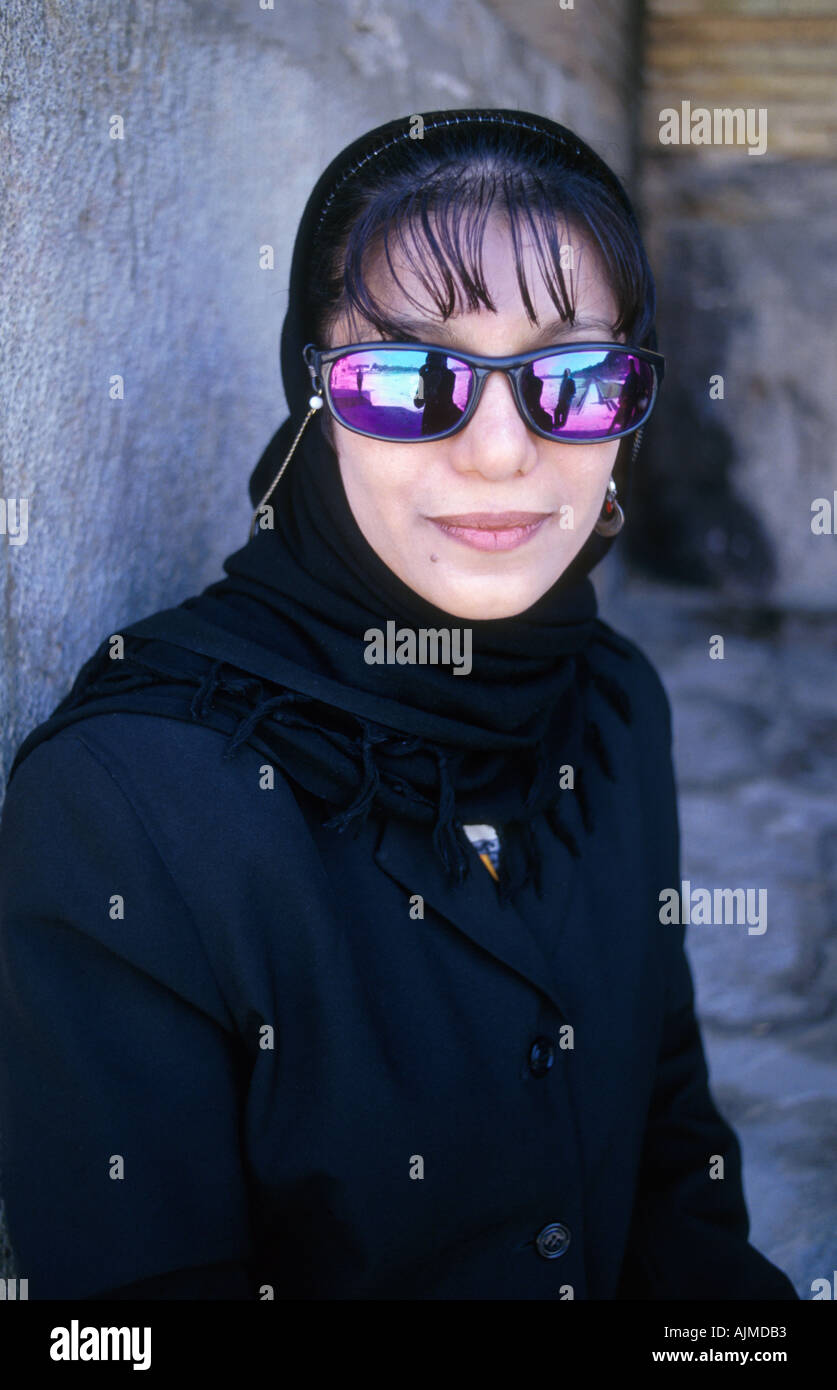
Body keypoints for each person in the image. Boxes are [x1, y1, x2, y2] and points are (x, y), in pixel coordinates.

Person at [0, 108, 798, 1301]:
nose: (496, 453)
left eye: (574, 377)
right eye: (410, 379)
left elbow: (672, 1157)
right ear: (316, 395)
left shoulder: (615, 706)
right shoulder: (129, 806)